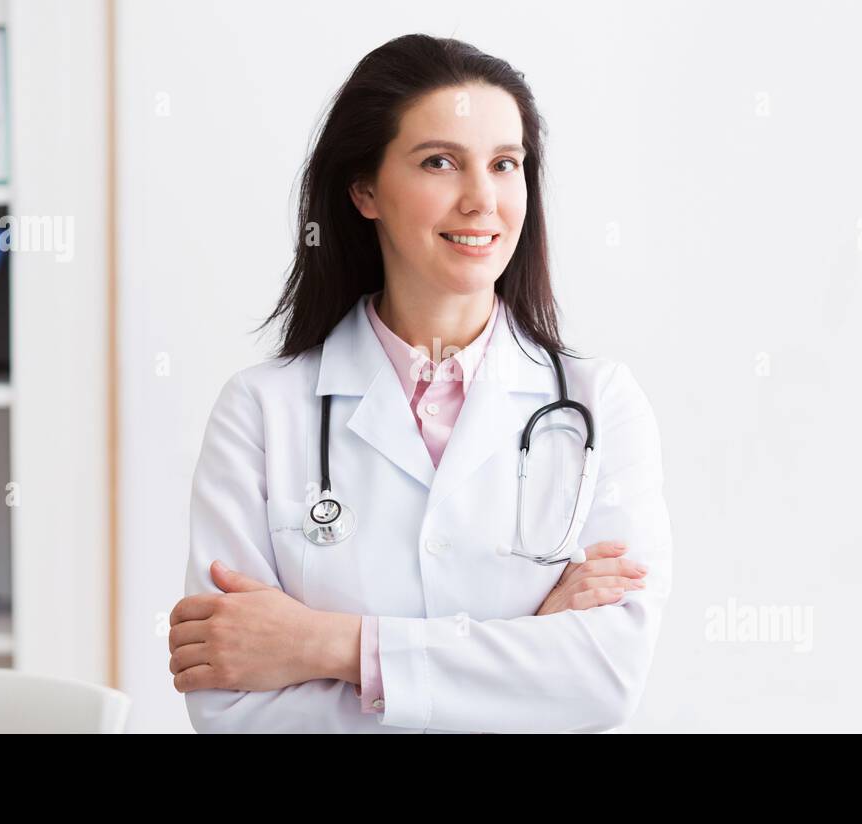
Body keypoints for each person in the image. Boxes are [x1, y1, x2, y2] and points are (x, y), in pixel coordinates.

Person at [167, 33, 671, 733]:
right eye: (440, 162)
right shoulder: (260, 412)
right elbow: (233, 707)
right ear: (364, 189)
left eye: (505, 164)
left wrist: (325, 645)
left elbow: (603, 682)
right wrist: (523, 649)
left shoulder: (599, 405)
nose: (481, 199)